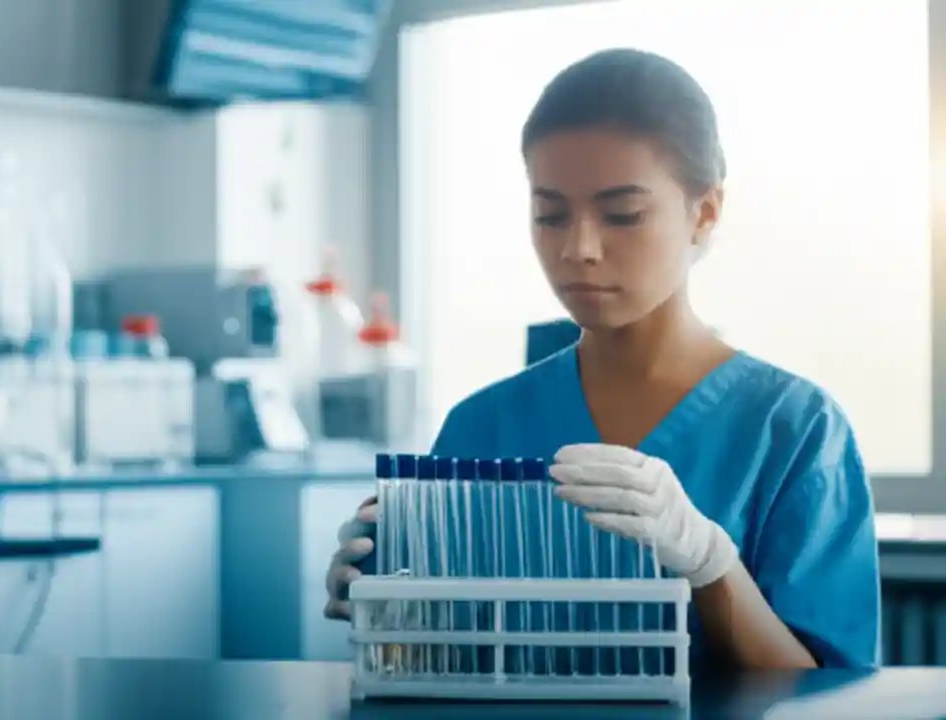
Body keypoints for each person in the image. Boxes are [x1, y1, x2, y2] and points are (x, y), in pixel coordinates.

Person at [323, 48, 879, 670]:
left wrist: (712, 565)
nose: (578, 249)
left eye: (623, 215)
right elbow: (432, 669)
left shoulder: (794, 430)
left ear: (706, 212)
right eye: (550, 215)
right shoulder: (481, 426)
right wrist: (386, 611)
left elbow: (831, 694)